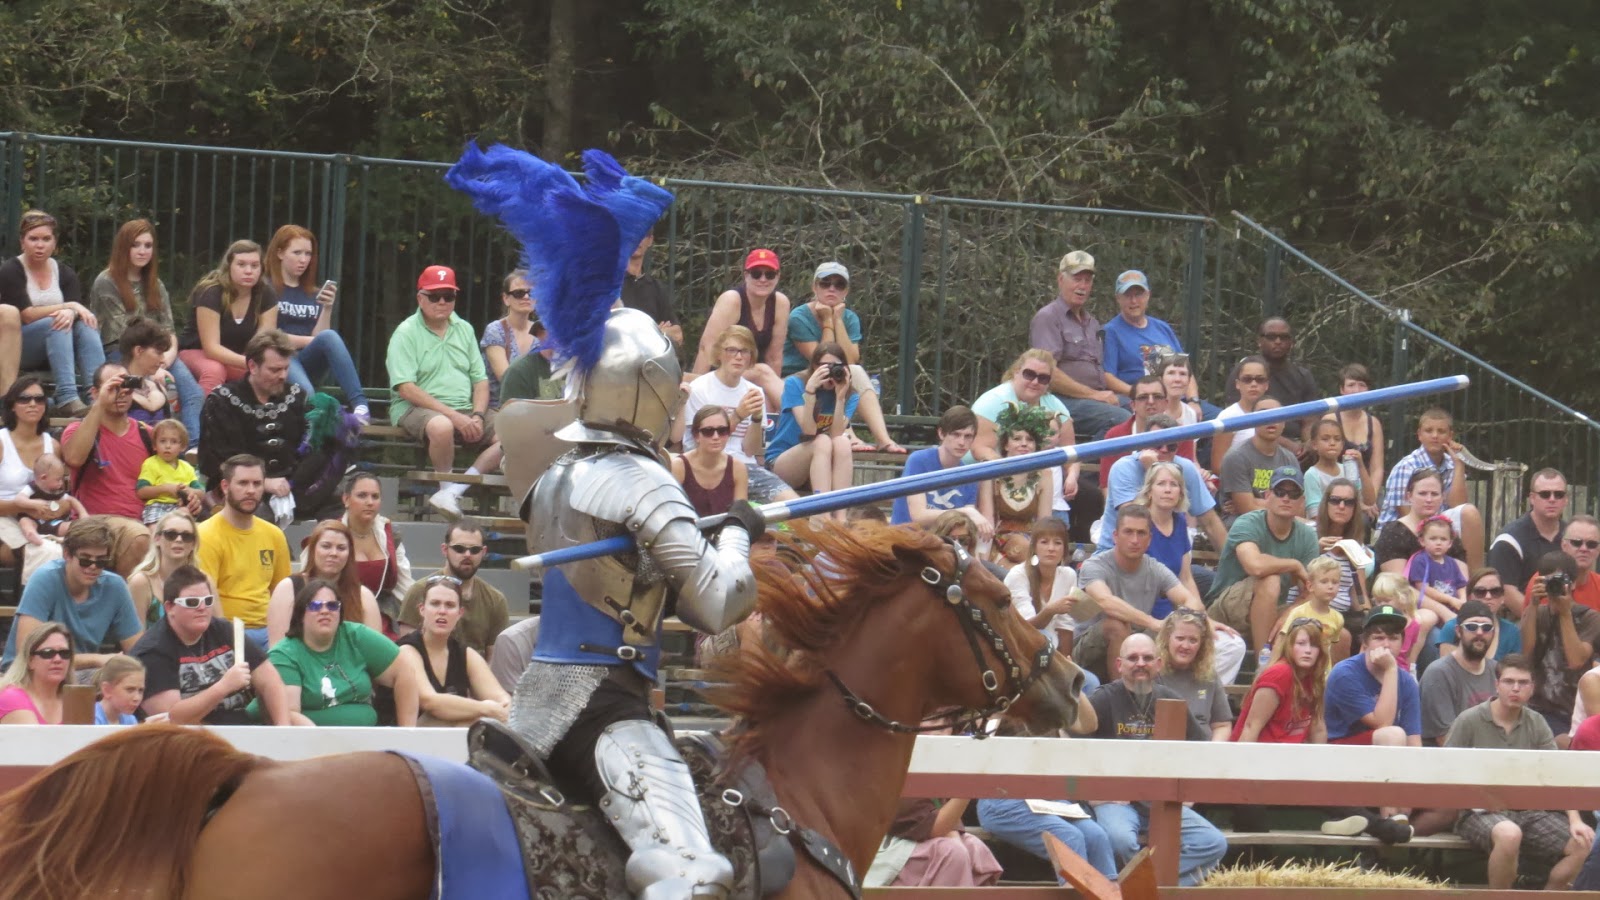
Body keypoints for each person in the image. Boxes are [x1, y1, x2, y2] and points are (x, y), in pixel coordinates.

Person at [447, 145, 763, 898]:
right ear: (650, 390)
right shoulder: (639, 479)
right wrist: (740, 528)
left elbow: (642, 582)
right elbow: (718, 603)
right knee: (691, 871)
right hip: (604, 705)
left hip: (540, 700)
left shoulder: (550, 466)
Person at [1088, 634, 1228, 886]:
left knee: (1213, 843)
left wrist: (1189, 794)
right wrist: (1094, 795)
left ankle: (1138, 890)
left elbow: (1200, 751)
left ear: (1158, 664)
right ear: (1119, 665)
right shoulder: (1102, 699)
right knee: (1119, 839)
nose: (1140, 663)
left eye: (1147, 658)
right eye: (1133, 658)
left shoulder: (1171, 700)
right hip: (1116, 800)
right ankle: (1142, 889)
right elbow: (1072, 746)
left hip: (1160, 799)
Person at [1446, 654, 1595, 890]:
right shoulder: (1470, 720)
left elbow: (1557, 773)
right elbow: (1447, 769)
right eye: (1509, 681)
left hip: (1530, 810)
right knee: (1509, 834)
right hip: (1480, 811)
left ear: (1532, 688)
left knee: (1584, 842)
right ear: (1497, 685)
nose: (1515, 688)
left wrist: (1574, 819)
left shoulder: (1536, 722)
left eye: (1523, 683)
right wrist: (1476, 798)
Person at [386, 264, 502, 520]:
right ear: (420, 298)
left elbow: (480, 381)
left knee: (512, 433)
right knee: (442, 426)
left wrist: (478, 415)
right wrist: (456, 417)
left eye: (448, 296)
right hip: (417, 408)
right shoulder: (406, 332)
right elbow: (406, 388)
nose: (442, 302)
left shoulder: (465, 329)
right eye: (434, 296)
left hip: (463, 407)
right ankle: (445, 487)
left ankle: (454, 492)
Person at [63, 364, 197, 577]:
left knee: (193, 535)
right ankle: (128, 605)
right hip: (96, 521)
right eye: (113, 387)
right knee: (140, 537)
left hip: (146, 518)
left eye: (127, 388)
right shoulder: (79, 429)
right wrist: (99, 405)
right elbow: (74, 458)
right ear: (95, 392)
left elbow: (174, 476)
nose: (121, 394)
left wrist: (189, 496)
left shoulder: (148, 435)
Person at [132, 564, 292, 726]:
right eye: (192, 602)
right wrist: (223, 686)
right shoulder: (152, 651)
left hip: (239, 728)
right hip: (187, 740)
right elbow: (173, 719)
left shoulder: (224, 630)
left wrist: (284, 731)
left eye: (207, 601)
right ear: (169, 607)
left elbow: (271, 682)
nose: (202, 608)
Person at [90, 219, 204, 442]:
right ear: (123, 247)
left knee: (194, 394)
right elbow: (123, 332)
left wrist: (164, 360)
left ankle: (192, 451)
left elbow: (170, 330)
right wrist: (154, 367)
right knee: (144, 393)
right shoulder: (106, 281)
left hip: (160, 353)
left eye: (148, 245)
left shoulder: (155, 284)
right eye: (136, 245)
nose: (143, 251)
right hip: (121, 352)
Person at [775, 263, 905, 453]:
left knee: (856, 372)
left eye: (839, 285)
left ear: (847, 290)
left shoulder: (849, 318)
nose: (832, 289)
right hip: (800, 379)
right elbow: (821, 359)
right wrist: (828, 321)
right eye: (825, 283)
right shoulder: (799, 317)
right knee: (834, 371)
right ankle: (849, 435)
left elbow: (850, 361)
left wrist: (837, 320)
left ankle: (884, 440)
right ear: (814, 287)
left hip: (832, 379)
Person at [1075, 504, 1214, 680]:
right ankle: (1125, 697)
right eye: (1128, 532)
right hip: (1088, 651)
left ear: (1149, 539)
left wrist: (1181, 622)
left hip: (1136, 647)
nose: (1134, 540)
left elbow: (1190, 600)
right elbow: (1105, 602)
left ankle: (1175, 691)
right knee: (1117, 625)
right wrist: (1154, 623)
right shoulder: (1094, 565)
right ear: (1115, 536)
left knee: (1174, 633)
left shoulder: (1155, 568)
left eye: (1141, 533)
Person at [265, 577, 414, 726]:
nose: (325, 611)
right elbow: (289, 714)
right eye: (315, 606)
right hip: (310, 741)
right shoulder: (284, 653)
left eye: (332, 606)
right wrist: (322, 738)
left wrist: (407, 733)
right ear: (301, 615)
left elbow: (404, 670)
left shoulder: (356, 636)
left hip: (364, 739)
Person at [1, 517, 142, 670]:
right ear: (67, 554)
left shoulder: (115, 586)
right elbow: (28, 652)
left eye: (101, 561)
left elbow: (137, 650)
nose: (93, 567)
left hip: (80, 673)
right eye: (85, 560)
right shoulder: (45, 578)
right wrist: (96, 659)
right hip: (29, 673)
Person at [1208, 466, 1321, 656]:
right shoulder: (1247, 522)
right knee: (1271, 580)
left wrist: (1290, 613)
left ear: (1302, 502)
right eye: (1280, 492)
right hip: (1224, 610)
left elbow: (1311, 591)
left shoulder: (1308, 535)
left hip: (1271, 610)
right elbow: (1255, 566)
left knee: (1340, 635)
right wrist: (1293, 564)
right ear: (1267, 495)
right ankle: (1264, 664)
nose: (1286, 498)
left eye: (1293, 494)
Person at [679, 324, 797, 505]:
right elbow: (698, 442)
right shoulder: (700, 389)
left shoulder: (754, 391)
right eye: (731, 350)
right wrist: (737, 416)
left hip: (746, 467)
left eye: (745, 351)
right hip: (707, 468)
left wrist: (757, 419)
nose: (738, 357)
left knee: (793, 504)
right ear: (719, 354)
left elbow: (750, 450)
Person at [0, 209, 104, 415]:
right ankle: (67, 396)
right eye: (33, 239)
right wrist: (67, 307)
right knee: (57, 321)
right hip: (21, 347)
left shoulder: (65, 273)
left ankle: (99, 395)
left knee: (86, 324)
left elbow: (77, 311)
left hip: (59, 347)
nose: (40, 245)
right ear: (22, 242)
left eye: (46, 239)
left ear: (54, 243)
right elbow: (26, 314)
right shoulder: (11, 270)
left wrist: (72, 311)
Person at [198, 329, 308, 520]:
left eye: (285, 368)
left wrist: (292, 483)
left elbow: (307, 447)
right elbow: (215, 462)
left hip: (293, 487)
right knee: (258, 516)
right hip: (240, 492)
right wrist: (263, 483)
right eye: (274, 370)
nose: (282, 376)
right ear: (253, 366)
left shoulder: (296, 396)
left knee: (340, 509)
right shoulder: (222, 400)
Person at [262, 225, 369, 420]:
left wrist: (327, 308)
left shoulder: (312, 293)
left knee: (329, 336)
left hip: (308, 361)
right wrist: (308, 341)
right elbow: (269, 336)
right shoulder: (266, 289)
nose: (303, 260)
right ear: (279, 253)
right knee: (308, 396)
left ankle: (360, 405)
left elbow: (320, 338)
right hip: (281, 357)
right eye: (297, 253)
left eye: (308, 254)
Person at [970, 348, 1083, 532]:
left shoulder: (1054, 404)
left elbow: (1070, 450)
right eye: (1029, 374)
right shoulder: (993, 401)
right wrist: (1014, 476)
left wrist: (1072, 475)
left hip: (1041, 483)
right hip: (990, 484)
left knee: (1090, 499)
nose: (1035, 382)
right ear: (1016, 372)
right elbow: (980, 450)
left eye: (1043, 378)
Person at [1028, 250, 1130, 440]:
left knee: (1147, 410)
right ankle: (1090, 468)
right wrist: (1094, 395)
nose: (1082, 286)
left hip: (1096, 398)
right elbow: (1047, 372)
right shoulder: (1048, 317)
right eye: (1077, 279)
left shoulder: (1092, 323)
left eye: (1087, 280)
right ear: (1060, 280)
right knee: (1122, 420)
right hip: (1061, 400)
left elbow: (1099, 371)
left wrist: (1138, 393)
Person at [1094, 415, 1227, 557]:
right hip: (1117, 555)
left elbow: (1210, 522)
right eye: (1158, 444)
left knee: (1207, 578)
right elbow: (1135, 523)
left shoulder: (1185, 468)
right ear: (1144, 443)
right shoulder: (1123, 468)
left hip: (1165, 559)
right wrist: (1153, 469)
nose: (1164, 450)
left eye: (1171, 446)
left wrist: (1232, 565)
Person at [196, 455, 291, 650]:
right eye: (243, 483)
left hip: (270, 630)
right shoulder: (206, 534)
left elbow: (283, 593)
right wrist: (227, 639)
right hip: (226, 630)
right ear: (225, 486)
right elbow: (207, 598)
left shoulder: (274, 535)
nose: (251, 490)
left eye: (257, 484)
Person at [396, 575, 511, 727]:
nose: (442, 611)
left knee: (483, 722)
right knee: (473, 721)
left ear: (459, 613)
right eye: (435, 604)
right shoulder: (407, 650)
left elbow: (504, 702)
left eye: (450, 605)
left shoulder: (466, 654)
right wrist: (485, 709)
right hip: (404, 738)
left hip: (450, 738)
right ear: (422, 610)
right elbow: (429, 701)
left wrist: (498, 709)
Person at [1377, 408, 1485, 569]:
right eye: (1429, 431)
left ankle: (1476, 583)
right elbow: (1406, 513)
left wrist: (1459, 465)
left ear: (1450, 436)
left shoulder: (1451, 464)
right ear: (1419, 435)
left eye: (1441, 431)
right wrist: (1435, 533)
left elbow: (1459, 508)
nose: (1435, 436)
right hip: (1399, 530)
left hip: (1436, 525)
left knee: (1469, 513)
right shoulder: (1406, 466)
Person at [395, 519, 510, 658]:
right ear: (445, 549)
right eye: (459, 549)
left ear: (483, 552)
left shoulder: (495, 600)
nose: (467, 555)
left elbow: (494, 660)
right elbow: (407, 653)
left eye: (474, 550)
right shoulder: (419, 591)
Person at [177, 239, 278, 395]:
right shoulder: (210, 292)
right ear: (229, 266)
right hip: (197, 352)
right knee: (214, 370)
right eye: (241, 264)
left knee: (269, 374)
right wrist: (249, 363)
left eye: (254, 265)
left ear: (261, 269)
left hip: (239, 357)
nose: (249, 271)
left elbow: (262, 343)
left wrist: (256, 364)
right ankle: (204, 417)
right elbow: (211, 348)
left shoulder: (266, 294)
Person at [1521, 550, 1600, 746]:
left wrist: (1565, 613)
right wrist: (1533, 604)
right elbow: (1527, 650)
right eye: (1548, 581)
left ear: (1572, 583)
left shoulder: (1590, 617)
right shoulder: (1536, 613)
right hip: (1537, 705)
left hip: (1570, 708)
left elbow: (1576, 660)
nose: (1554, 586)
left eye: (1559, 580)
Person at [691, 248, 789, 406]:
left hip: (751, 375)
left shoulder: (780, 303)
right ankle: (801, 417)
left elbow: (774, 356)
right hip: (721, 371)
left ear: (778, 277)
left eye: (769, 274)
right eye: (756, 273)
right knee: (762, 371)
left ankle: (788, 417)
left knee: (768, 382)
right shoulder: (732, 300)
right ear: (746, 275)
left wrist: (771, 395)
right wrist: (695, 392)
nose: (763, 279)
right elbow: (706, 348)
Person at [765, 343, 861, 501]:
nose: (830, 372)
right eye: (825, 366)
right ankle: (820, 515)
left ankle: (840, 516)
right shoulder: (795, 384)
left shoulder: (851, 395)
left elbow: (836, 434)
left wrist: (840, 398)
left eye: (836, 366)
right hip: (785, 463)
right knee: (822, 440)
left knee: (842, 442)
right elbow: (808, 430)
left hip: (821, 467)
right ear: (814, 367)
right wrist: (810, 392)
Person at [269, 519, 384, 646]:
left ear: (349, 554)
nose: (333, 553)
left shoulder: (363, 596)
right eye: (326, 546)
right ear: (313, 550)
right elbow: (277, 649)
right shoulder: (288, 588)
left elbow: (376, 652)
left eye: (341, 548)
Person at [889, 406, 993, 540]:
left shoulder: (969, 475)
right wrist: (966, 512)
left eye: (968, 436)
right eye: (956, 434)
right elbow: (919, 516)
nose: (962, 442)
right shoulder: (919, 460)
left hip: (943, 547)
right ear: (941, 434)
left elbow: (965, 526)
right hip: (906, 541)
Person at [1222, 318, 1320, 452]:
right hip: (1257, 443)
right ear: (1259, 341)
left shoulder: (1303, 376)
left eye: (1284, 337)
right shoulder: (1246, 374)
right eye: (1271, 337)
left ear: (1292, 342)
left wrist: (1308, 445)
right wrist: (1289, 446)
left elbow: (1310, 419)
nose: (1278, 341)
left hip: (1299, 445)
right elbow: (1244, 420)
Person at [335, 471, 414, 632]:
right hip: (340, 615)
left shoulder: (390, 534)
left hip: (384, 616)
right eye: (362, 496)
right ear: (346, 499)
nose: (369, 502)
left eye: (375, 497)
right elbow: (311, 582)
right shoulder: (330, 534)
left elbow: (406, 586)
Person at [1232, 617, 1329, 744]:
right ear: (1289, 646)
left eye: (1314, 645)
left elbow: (1318, 729)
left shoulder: (1314, 677)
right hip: (1262, 752)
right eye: (1301, 643)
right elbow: (1251, 727)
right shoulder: (1278, 674)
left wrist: (1320, 761)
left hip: (1291, 755)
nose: (1308, 650)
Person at [1419, 599, 1500, 746]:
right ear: (1458, 631)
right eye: (1472, 626)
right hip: (1448, 762)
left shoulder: (1498, 671)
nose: (1480, 632)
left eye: (1487, 627)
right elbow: (1446, 739)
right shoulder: (1438, 673)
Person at [1488, 468, 1568, 616]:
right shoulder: (1509, 540)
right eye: (1545, 494)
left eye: (1558, 494)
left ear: (1565, 500)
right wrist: (1540, 621)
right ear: (1532, 498)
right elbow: (1506, 591)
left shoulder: (1574, 539)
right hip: (1519, 620)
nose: (1552, 499)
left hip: (1566, 614)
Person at [0, 378, 60, 570]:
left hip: (42, 521)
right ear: (12, 406)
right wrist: (22, 507)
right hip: (3, 521)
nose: (33, 404)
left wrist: (52, 507)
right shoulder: (1, 442)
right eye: (24, 399)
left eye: (39, 399)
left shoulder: (54, 446)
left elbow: (61, 496)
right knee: (46, 552)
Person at [1375, 468, 1468, 590]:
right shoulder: (1394, 532)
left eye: (1434, 494)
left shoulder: (1449, 533)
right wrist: (1445, 609)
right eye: (1422, 493)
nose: (1429, 500)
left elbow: (1463, 582)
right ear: (1409, 496)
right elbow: (1400, 588)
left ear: (1442, 497)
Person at [1098, 374, 1197, 486]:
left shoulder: (1181, 434)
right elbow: (1107, 487)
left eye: (1157, 396)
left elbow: (1185, 483)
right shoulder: (1115, 436)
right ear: (1133, 405)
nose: (1150, 401)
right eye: (1143, 397)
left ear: (1166, 403)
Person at [1155, 608, 1233, 739]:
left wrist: (1212, 751)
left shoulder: (1209, 676)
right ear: (1167, 638)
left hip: (1203, 752)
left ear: (1201, 644)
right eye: (1180, 638)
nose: (1185, 646)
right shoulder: (1152, 673)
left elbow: (1222, 725)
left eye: (1193, 640)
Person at [1003, 517, 1079, 653]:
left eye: (1057, 543)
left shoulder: (1068, 575)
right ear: (1034, 547)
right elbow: (1027, 627)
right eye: (1044, 542)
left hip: (1052, 651)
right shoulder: (1018, 575)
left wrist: (1067, 664)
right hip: (1018, 648)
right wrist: (1051, 610)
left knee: (1090, 676)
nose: (1051, 548)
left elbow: (1065, 625)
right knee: (1045, 636)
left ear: (1064, 549)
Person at [1100, 270, 1182, 393]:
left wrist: (1194, 400)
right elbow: (1107, 377)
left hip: (1177, 398)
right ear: (1118, 298)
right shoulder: (1111, 331)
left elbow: (1184, 369)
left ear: (1148, 295)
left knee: (1216, 413)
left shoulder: (1163, 328)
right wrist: (1139, 394)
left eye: (1138, 294)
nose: (1133, 301)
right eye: (1127, 295)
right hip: (1142, 401)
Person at [986, 404, 1057, 545]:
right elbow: (987, 520)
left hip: (1029, 544)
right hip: (996, 541)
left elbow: (1044, 524)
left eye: (1030, 439)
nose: (1024, 444)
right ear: (1006, 445)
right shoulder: (991, 472)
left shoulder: (1045, 474)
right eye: (1017, 438)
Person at [1219, 398, 1299, 518]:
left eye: (1276, 415)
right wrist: (1282, 506)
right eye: (1263, 414)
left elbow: (1298, 506)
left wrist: (1256, 501)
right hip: (1244, 524)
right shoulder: (1236, 456)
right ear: (1252, 421)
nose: (1271, 419)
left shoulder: (1289, 458)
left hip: (1283, 522)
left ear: (1284, 423)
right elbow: (1247, 509)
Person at [1322, 364, 1383, 515]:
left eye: (1362, 385)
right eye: (1351, 385)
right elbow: (1324, 465)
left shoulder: (1373, 423)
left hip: (1366, 488)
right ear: (1342, 390)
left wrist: (1371, 498)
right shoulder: (1330, 419)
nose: (1356, 390)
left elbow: (1377, 468)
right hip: (1334, 489)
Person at [127, 509, 206, 624]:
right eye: (171, 534)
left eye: (187, 536)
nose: (179, 540)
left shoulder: (204, 580)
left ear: (193, 544)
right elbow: (135, 638)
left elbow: (217, 630)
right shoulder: (141, 582)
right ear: (157, 539)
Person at [672, 406, 748, 518]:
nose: (716, 437)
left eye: (722, 431)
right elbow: (673, 511)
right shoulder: (679, 466)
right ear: (696, 435)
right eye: (708, 431)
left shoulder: (737, 468)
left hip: (726, 531)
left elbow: (741, 514)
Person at [479, 269, 539, 409]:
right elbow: (507, 379)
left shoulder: (542, 331)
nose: (526, 297)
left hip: (537, 408)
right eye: (519, 293)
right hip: (502, 409)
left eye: (531, 293)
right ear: (506, 299)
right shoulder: (495, 330)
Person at [1280, 556, 1352, 661]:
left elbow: (1332, 651)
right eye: (1324, 582)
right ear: (1310, 586)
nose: (1330, 586)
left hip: (1322, 672)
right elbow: (1282, 642)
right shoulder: (1298, 613)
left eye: (1335, 582)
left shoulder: (1338, 618)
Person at [0, 622, 73, 725]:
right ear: (30, 661)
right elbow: (35, 740)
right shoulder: (12, 697)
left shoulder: (74, 701)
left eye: (64, 653)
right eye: (48, 653)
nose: (58, 659)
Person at [135, 419, 203, 527]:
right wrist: (166, 488)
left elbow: (201, 493)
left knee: (185, 515)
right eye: (162, 441)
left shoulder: (187, 467)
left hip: (180, 506)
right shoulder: (151, 463)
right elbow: (141, 491)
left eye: (174, 442)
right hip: (157, 506)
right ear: (154, 445)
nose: (168, 446)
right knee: (155, 529)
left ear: (183, 447)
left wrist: (188, 490)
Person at [1210, 356, 1272, 473]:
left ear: (1266, 385)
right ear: (1238, 384)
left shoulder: (1274, 414)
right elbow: (1218, 466)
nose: (1253, 384)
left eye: (1260, 380)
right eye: (1247, 379)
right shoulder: (1228, 416)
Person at [620, 234, 682, 346]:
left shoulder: (656, 287)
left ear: (650, 240)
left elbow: (677, 335)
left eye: (643, 234)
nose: (637, 238)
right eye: (635, 232)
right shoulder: (609, 285)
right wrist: (657, 332)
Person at [118, 316, 178, 426]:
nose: (162, 360)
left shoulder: (158, 387)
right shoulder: (115, 387)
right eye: (158, 353)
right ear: (139, 351)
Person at [1407, 515, 1468, 619]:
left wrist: (1463, 599)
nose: (1438, 543)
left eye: (1443, 539)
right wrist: (1450, 600)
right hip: (1431, 608)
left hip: (1453, 607)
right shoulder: (1421, 560)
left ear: (1450, 543)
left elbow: (1460, 584)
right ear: (1422, 541)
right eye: (1433, 538)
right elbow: (1422, 588)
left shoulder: (1451, 562)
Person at [16, 453, 84, 546]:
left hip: (53, 522)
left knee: (68, 526)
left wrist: (83, 513)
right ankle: (32, 534)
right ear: (44, 478)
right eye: (58, 479)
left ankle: (70, 535)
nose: (61, 483)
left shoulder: (57, 491)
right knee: (25, 522)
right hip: (33, 519)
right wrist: (34, 504)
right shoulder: (32, 487)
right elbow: (19, 499)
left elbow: (72, 500)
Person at [1303, 418, 1364, 518]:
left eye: (1337, 439)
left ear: (1342, 444)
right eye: (1325, 439)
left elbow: (1369, 500)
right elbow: (1315, 514)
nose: (1332, 443)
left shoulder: (1347, 470)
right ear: (1314, 444)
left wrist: (1360, 465)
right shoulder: (1312, 475)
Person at [93, 654, 145, 725]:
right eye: (130, 690)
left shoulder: (130, 719)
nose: (137, 698)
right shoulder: (90, 718)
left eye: (140, 690)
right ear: (107, 690)